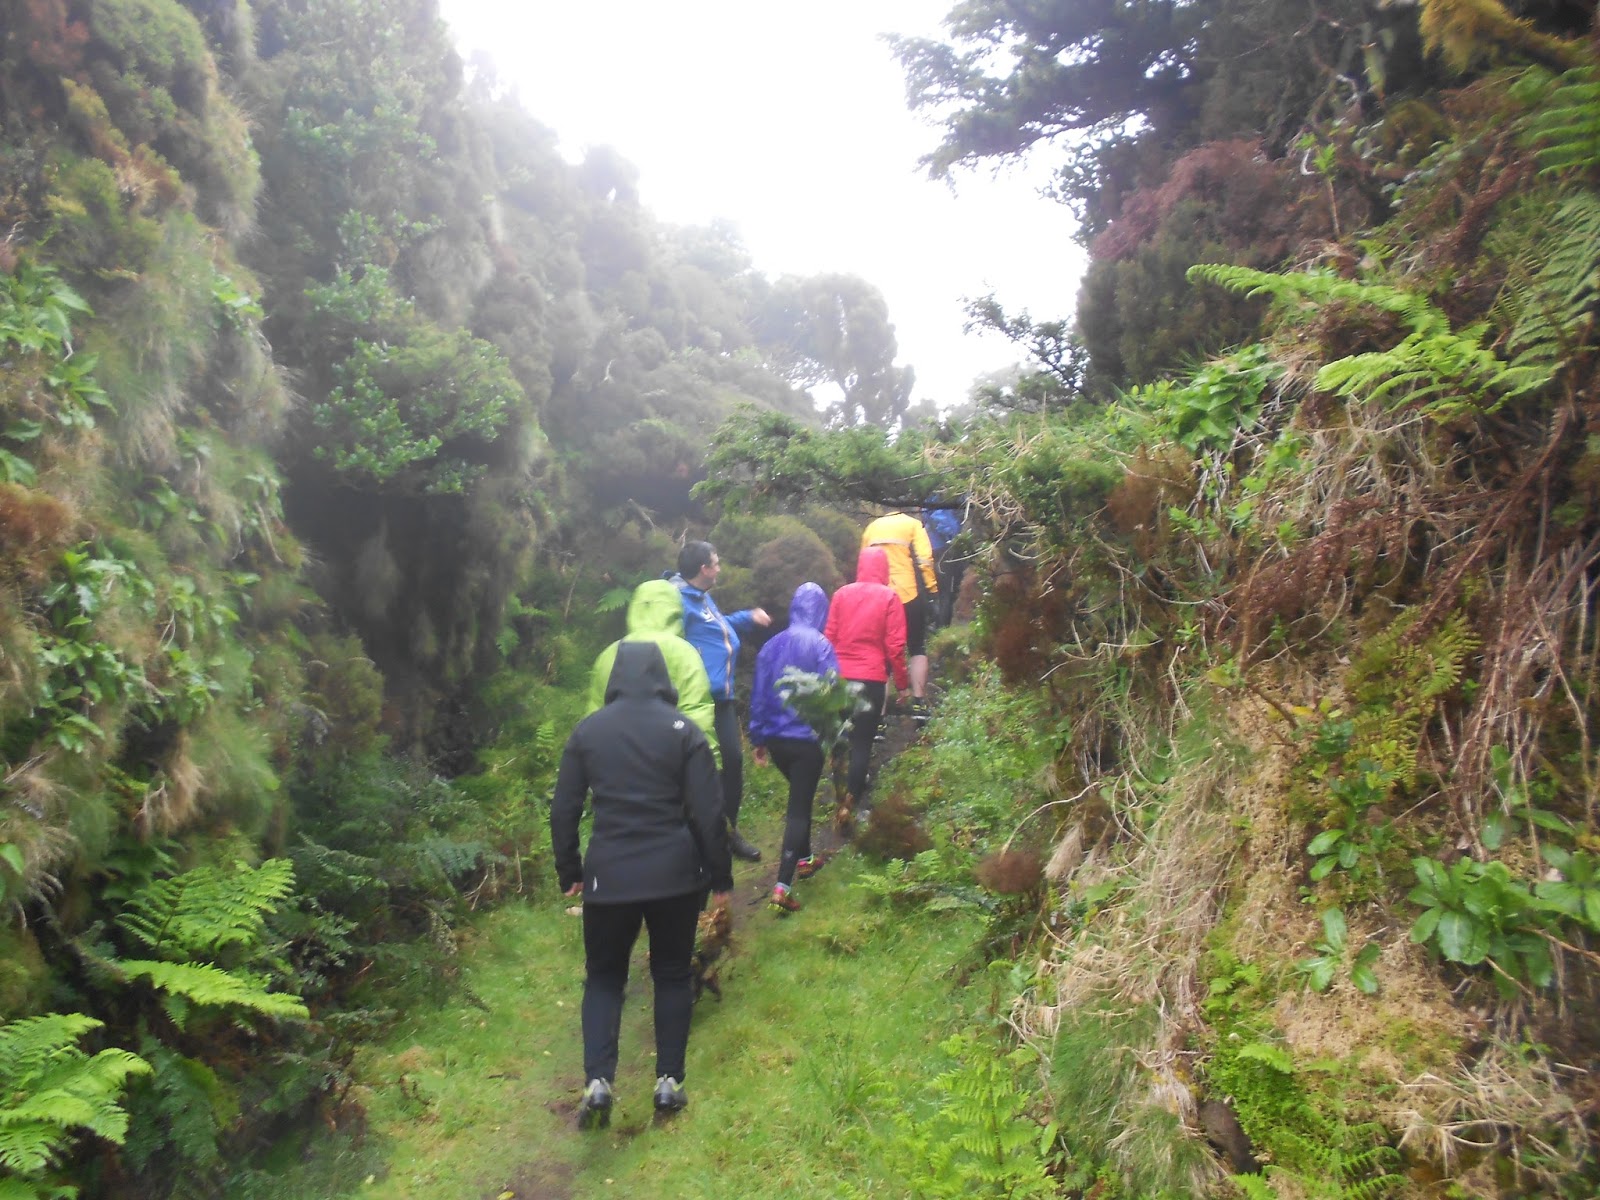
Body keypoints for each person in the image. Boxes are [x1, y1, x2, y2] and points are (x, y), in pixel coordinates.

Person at [552, 642, 733, 1127]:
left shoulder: (588, 732)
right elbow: (708, 812)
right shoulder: (685, 731)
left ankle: (598, 1081)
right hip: (674, 875)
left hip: (609, 875)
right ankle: (668, 1082)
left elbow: (564, 808)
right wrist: (720, 874)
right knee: (671, 973)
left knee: (604, 976)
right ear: (661, 678)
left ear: (615, 677)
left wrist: (569, 871)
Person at [667, 541, 771, 862]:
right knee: (696, 769)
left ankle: (727, 833)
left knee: (733, 763)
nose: (720, 567)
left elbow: (719, 626)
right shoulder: (678, 601)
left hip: (721, 699)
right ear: (704, 569)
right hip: (697, 700)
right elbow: (668, 644)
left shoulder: (701, 596)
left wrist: (748, 617)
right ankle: (691, 840)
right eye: (716, 562)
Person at [748, 582, 838, 914]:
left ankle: (806, 859)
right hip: (807, 741)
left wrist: (758, 738)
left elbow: (759, 695)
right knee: (798, 809)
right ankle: (782, 887)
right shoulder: (821, 644)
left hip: (777, 741)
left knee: (801, 795)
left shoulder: (771, 645)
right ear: (821, 610)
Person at [587, 578, 718, 764]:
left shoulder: (608, 654)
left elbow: (593, 715)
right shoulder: (684, 653)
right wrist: (707, 765)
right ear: (675, 609)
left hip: (613, 762)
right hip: (667, 764)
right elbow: (697, 712)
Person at [822, 547, 908, 827]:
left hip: (840, 678)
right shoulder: (890, 597)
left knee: (840, 741)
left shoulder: (841, 595)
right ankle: (850, 805)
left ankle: (838, 798)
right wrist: (902, 684)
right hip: (871, 679)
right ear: (884, 568)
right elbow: (895, 647)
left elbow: (829, 638)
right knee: (862, 743)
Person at [860, 510, 938, 725]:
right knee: (917, 646)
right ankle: (919, 704)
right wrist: (931, 589)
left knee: (881, 656)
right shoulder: (913, 525)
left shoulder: (871, 528)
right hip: (908, 594)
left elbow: (864, 565)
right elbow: (925, 560)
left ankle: (879, 718)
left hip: (878, 597)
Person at [920, 499, 964, 629]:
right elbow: (940, 517)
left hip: (932, 544)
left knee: (938, 589)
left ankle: (935, 624)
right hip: (943, 546)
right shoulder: (943, 493)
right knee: (945, 591)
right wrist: (953, 537)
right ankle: (941, 628)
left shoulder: (931, 494)